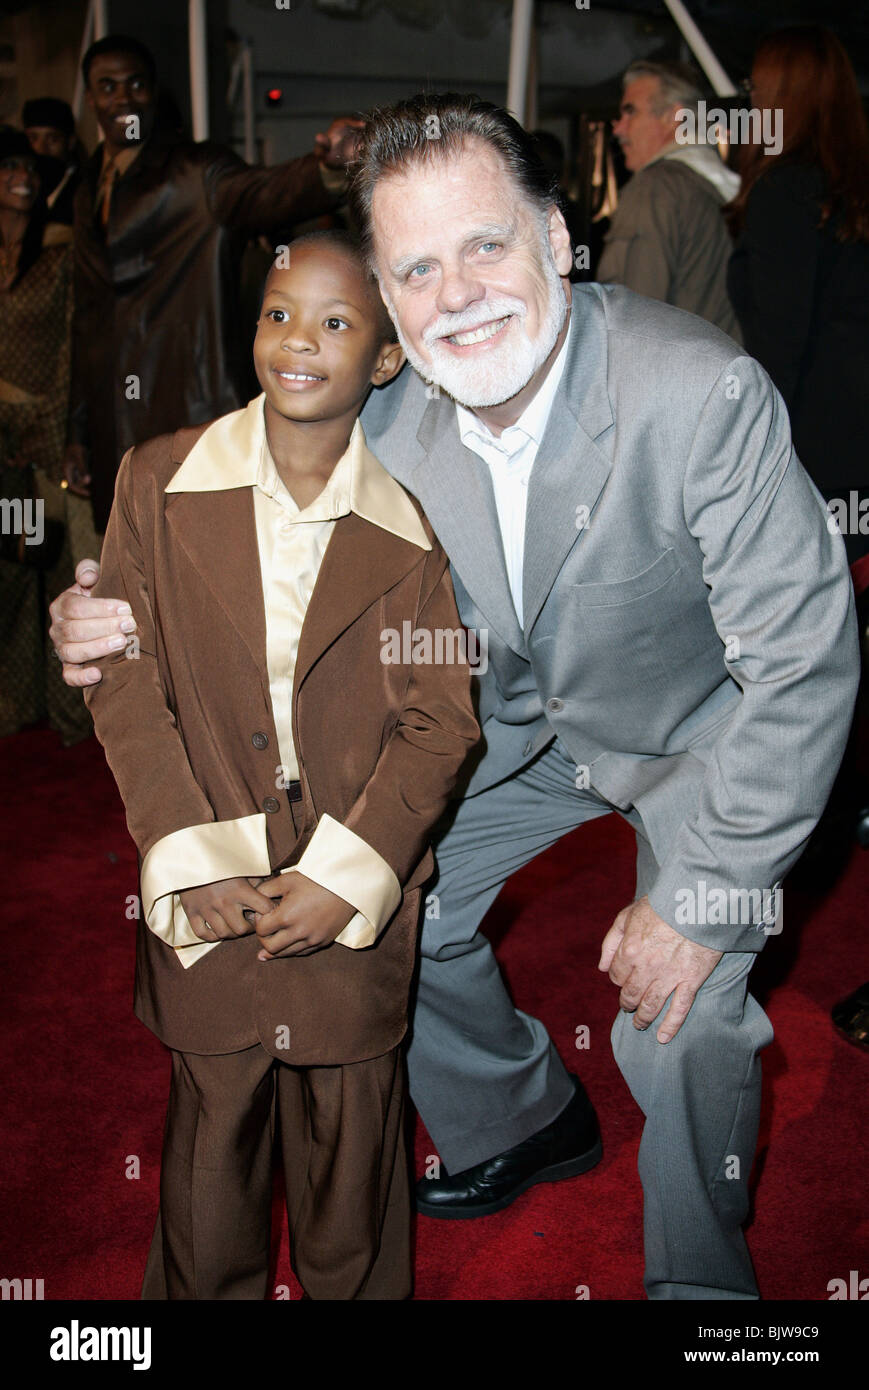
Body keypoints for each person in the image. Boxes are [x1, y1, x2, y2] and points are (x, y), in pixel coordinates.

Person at [51, 94, 859, 1300]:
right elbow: (211, 502)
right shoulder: (383, 422)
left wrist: (693, 901)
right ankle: (523, 1118)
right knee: (380, 905)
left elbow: (798, 657)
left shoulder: (700, 396)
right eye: (416, 267)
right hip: (523, 737)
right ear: (383, 293)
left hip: (703, 736)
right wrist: (108, 605)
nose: (459, 293)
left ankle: (701, 1285)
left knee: (678, 1017)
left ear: (554, 238)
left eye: (485, 244)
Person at [80, 230, 479, 1299]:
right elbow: (123, 676)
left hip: (347, 894)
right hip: (207, 881)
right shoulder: (156, 480)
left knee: (352, 1174)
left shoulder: (411, 536)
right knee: (211, 1171)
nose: (298, 341)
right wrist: (188, 856)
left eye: (336, 322)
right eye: (276, 312)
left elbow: (442, 722)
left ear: (385, 361)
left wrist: (345, 876)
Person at [65, 33, 362, 532]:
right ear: (91, 98)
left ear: (153, 92)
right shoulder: (88, 186)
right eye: (107, 86)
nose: (123, 99)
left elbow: (264, 193)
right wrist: (77, 432)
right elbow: (87, 320)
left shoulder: (196, 172)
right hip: (109, 424)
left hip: (190, 412)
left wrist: (327, 169)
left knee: (201, 572)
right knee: (126, 585)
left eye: (135, 84)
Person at [726, 25, 869, 566]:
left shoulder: (784, 192)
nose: (750, 100)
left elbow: (781, 342)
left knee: (810, 621)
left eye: (758, 89)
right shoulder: (848, 190)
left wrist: (750, 451)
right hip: (853, 435)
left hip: (814, 445)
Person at [0, 128, 98, 743]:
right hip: (3, 452)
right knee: (14, 567)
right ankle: (16, 705)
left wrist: (63, 431)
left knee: (64, 565)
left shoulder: (60, 252)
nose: (26, 177)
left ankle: (75, 718)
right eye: (10, 166)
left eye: (32, 168)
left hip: (49, 442)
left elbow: (74, 348)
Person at [597, 60, 741, 338]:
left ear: (675, 117)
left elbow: (633, 321)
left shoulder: (655, 189)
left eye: (631, 112)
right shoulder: (724, 190)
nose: (618, 129)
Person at [22, 97, 82, 227]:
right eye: (32, 138)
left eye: (52, 139)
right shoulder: (17, 191)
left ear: (70, 142)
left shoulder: (85, 192)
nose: (40, 149)